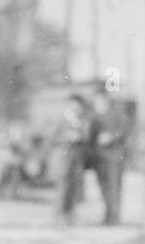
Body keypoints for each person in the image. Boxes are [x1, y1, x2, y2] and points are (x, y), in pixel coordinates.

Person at [86, 84, 131, 225]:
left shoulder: (116, 112)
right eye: (96, 99)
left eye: (100, 98)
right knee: (103, 187)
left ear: (106, 98)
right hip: (99, 157)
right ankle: (108, 216)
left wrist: (110, 136)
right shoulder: (93, 114)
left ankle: (114, 217)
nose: (98, 101)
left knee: (114, 187)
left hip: (114, 156)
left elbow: (124, 129)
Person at [53, 93, 92, 224]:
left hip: (77, 156)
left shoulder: (82, 120)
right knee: (63, 186)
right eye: (73, 105)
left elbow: (87, 136)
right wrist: (67, 137)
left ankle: (70, 214)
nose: (76, 108)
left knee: (74, 186)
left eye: (78, 105)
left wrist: (79, 134)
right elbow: (52, 137)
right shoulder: (61, 119)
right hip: (64, 155)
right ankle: (59, 214)